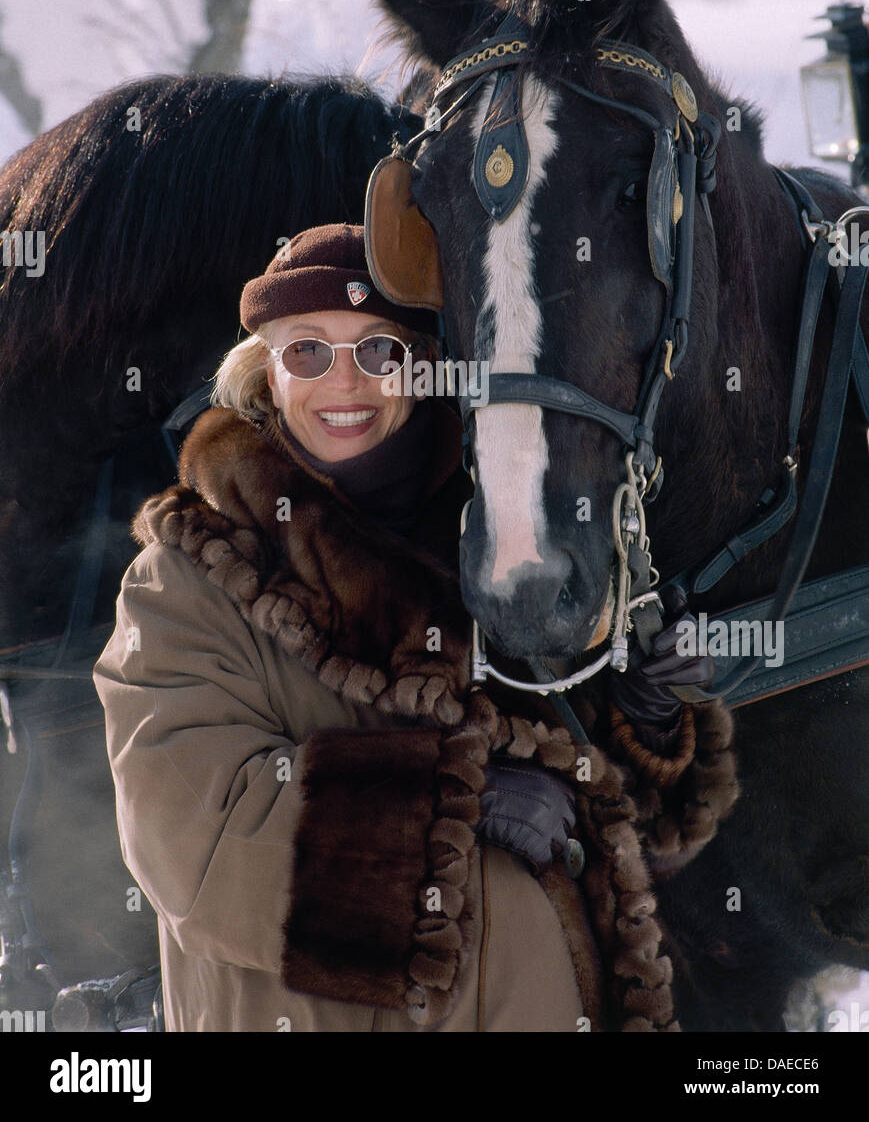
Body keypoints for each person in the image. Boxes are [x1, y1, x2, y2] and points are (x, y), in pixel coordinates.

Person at [94, 223, 739, 1033]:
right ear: (265, 374)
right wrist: (449, 803)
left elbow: (626, 848)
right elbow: (192, 834)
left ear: (425, 366)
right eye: (306, 353)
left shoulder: (500, 555)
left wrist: (640, 715)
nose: (343, 382)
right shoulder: (188, 577)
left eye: (378, 352)